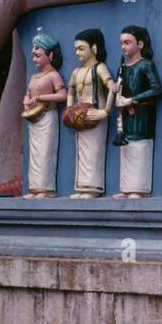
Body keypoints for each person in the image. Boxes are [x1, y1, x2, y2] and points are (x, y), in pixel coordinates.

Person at [112, 24, 162, 197]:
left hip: (141, 115)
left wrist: (132, 99)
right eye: (122, 43)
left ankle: (139, 189)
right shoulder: (123, 67)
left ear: (140, 45)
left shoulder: (145, 65)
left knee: (139, 149)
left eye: (127, 42)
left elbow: (156, 90)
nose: (123, 47)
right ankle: (126, 188)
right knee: (126, 150)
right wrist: (116, 88)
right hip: (126, 115)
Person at [67, 28, 114, 198]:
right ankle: (82, 187)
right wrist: (69, 110)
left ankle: (93, 188)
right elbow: (70, 92)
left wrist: (105, 111)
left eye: (81, 48)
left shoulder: (100, 68)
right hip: (80, 117)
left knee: (93, 152)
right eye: (76, 49)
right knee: (81, 152)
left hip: (95, 116)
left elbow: (112, 89)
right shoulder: (76, 72)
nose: (77, 52)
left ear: (93, 48)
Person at [22, 30, 66, 199]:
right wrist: (26, 101)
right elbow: (28, 93)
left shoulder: (53, 75)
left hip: (47, 116)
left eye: (38, 55)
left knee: (45, 152)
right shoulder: (34, 76)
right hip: (34, 118)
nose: (35, 59)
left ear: (50, 54)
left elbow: (62, 95)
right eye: (33, 55)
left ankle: (46, 189)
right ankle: (35, 188)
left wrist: (39, 98)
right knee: (34, 154)